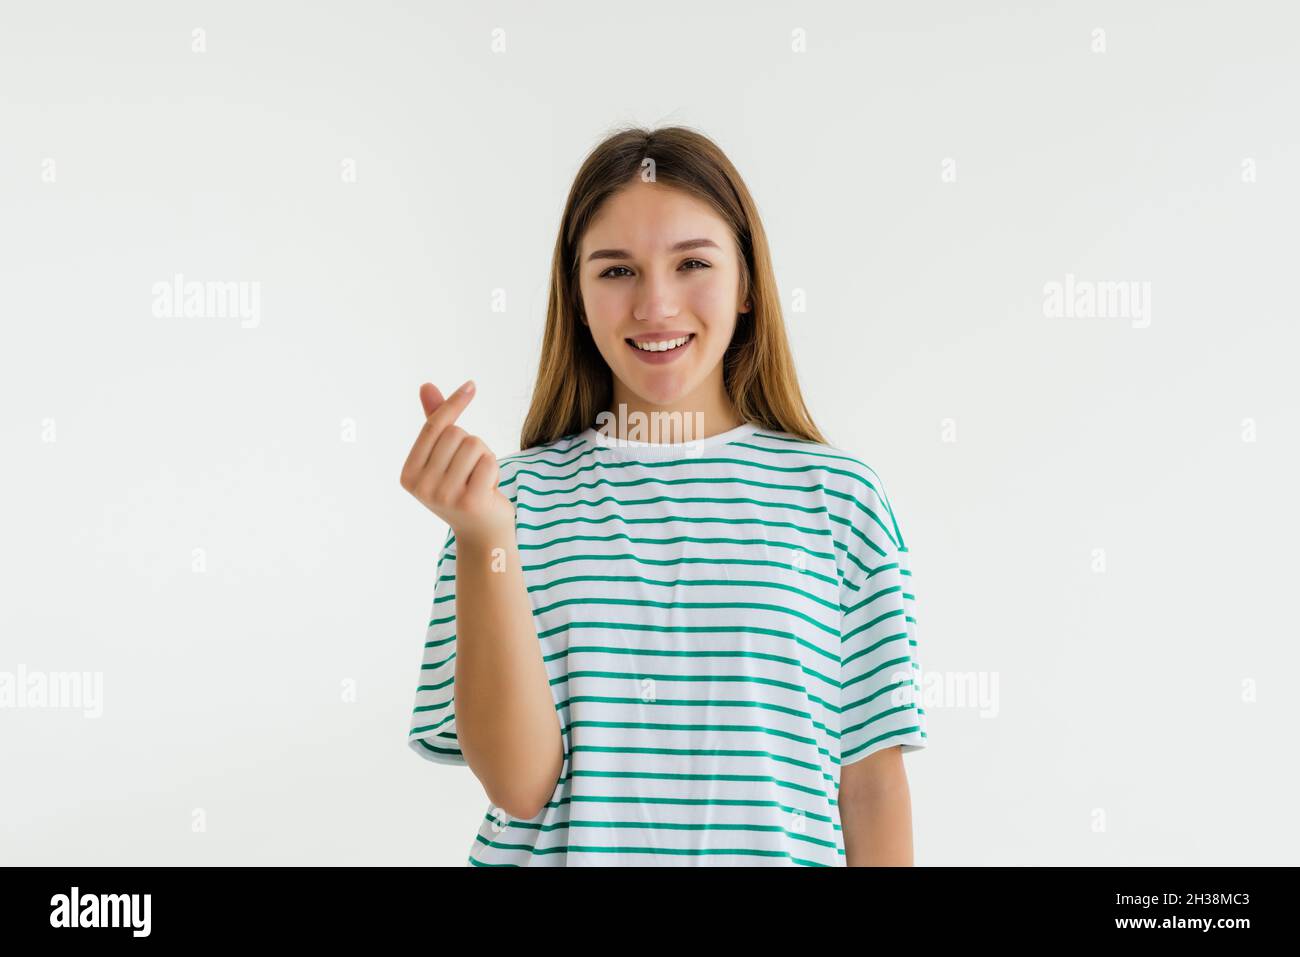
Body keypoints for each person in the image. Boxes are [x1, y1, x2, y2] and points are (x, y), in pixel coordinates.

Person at [399, 126, 927, 866]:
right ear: (577, 298)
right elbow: (519, 788)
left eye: (692, 263)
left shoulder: (840, 500)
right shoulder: (503, 503)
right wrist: (485, 536)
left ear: (747, 284)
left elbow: (871, 782)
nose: (654, 304)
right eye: (616, 272)